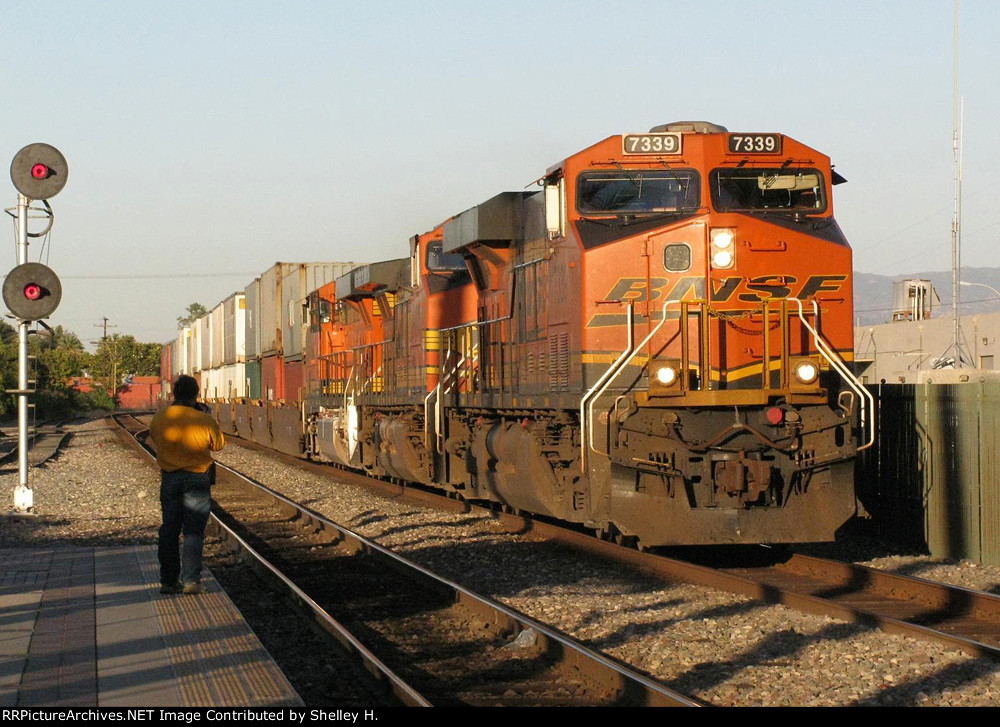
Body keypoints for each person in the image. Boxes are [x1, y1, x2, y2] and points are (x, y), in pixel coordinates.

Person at [149, 375, 225, 595]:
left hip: (170, 478)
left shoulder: (159, 418)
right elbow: (218, 445)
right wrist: (206, 418)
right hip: (197, 478)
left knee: (169, 530)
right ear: (196, 395)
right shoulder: (204, 419)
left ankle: (168, 582)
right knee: (193, 532)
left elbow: (155, 439)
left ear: (174, 394)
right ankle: (191, 581)